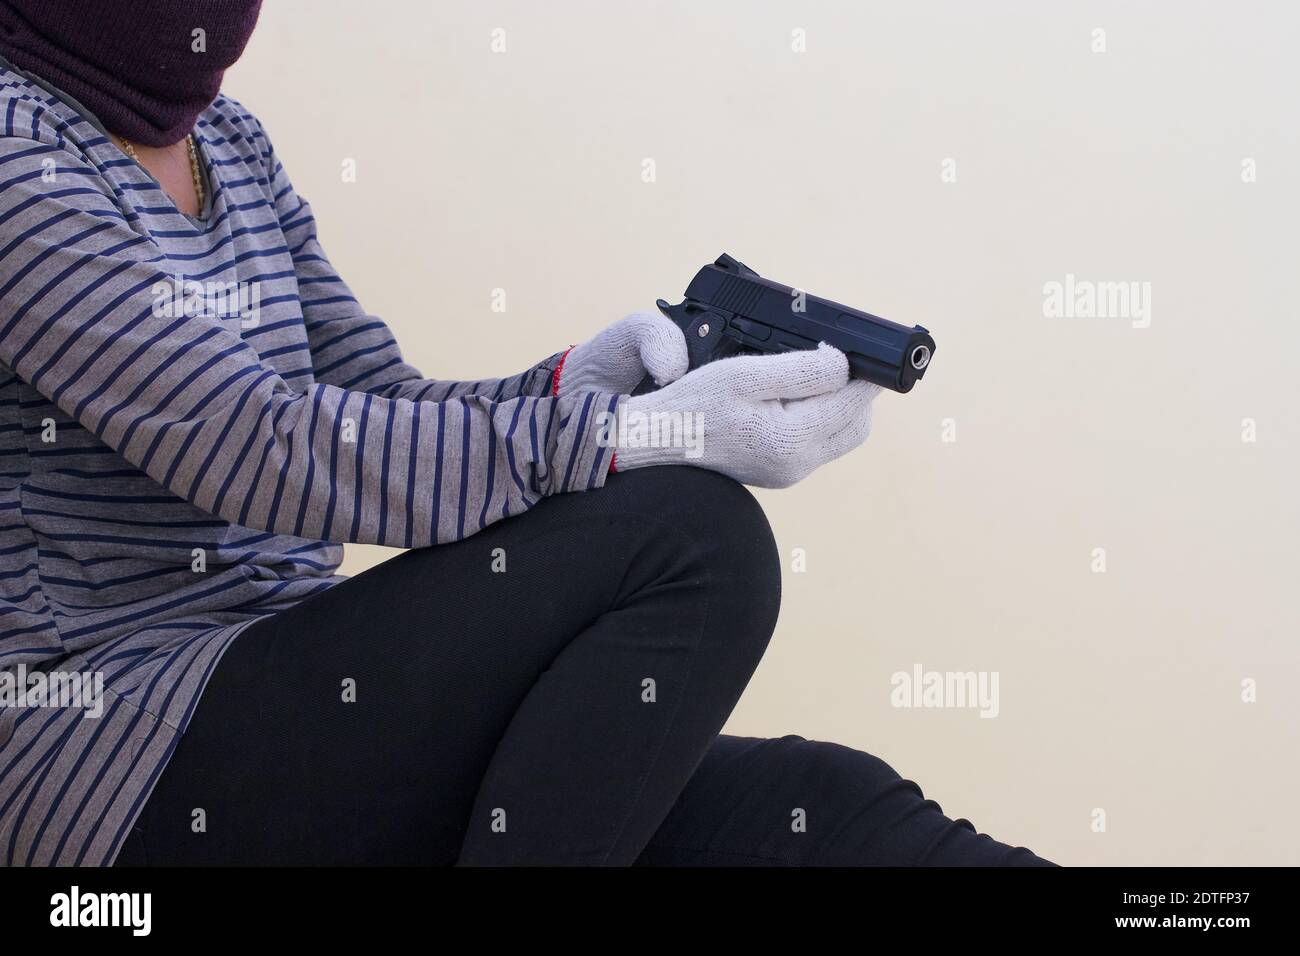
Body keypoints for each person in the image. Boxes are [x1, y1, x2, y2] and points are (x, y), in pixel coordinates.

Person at [0, 0, 1052, 866]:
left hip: (300, 713)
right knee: (695, 536)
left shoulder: (225, 139)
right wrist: (626, 437)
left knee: (823, 807)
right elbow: (265, 445)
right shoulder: (16, 148)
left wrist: (571, 384)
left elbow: (377, 397)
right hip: (120, 766)